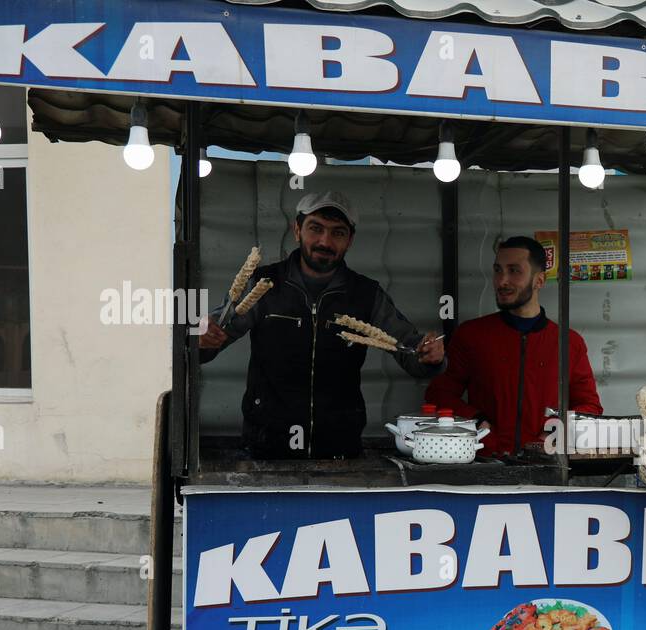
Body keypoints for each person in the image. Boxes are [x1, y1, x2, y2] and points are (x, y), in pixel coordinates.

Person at [200, 191, 444, 459]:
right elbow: (214, 337)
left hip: (340, 445)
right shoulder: (263, 284)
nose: (324, 241)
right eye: (315, 229)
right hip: (267, 443)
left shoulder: (365, 294)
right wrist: (202, 340)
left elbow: (410, 350)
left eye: (337, 233)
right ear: (297, 230)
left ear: (350, 240)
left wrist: (429, 356)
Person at [424, 236, 602, 455]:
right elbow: (439, 394)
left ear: (539, 280)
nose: (502, 281)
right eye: (498, 270)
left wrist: (557, 429)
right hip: (484, 467)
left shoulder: (569, 343)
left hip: (548, 468)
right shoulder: (471, 335)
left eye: (514, 271)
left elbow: (590, 407)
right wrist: (476, 420)